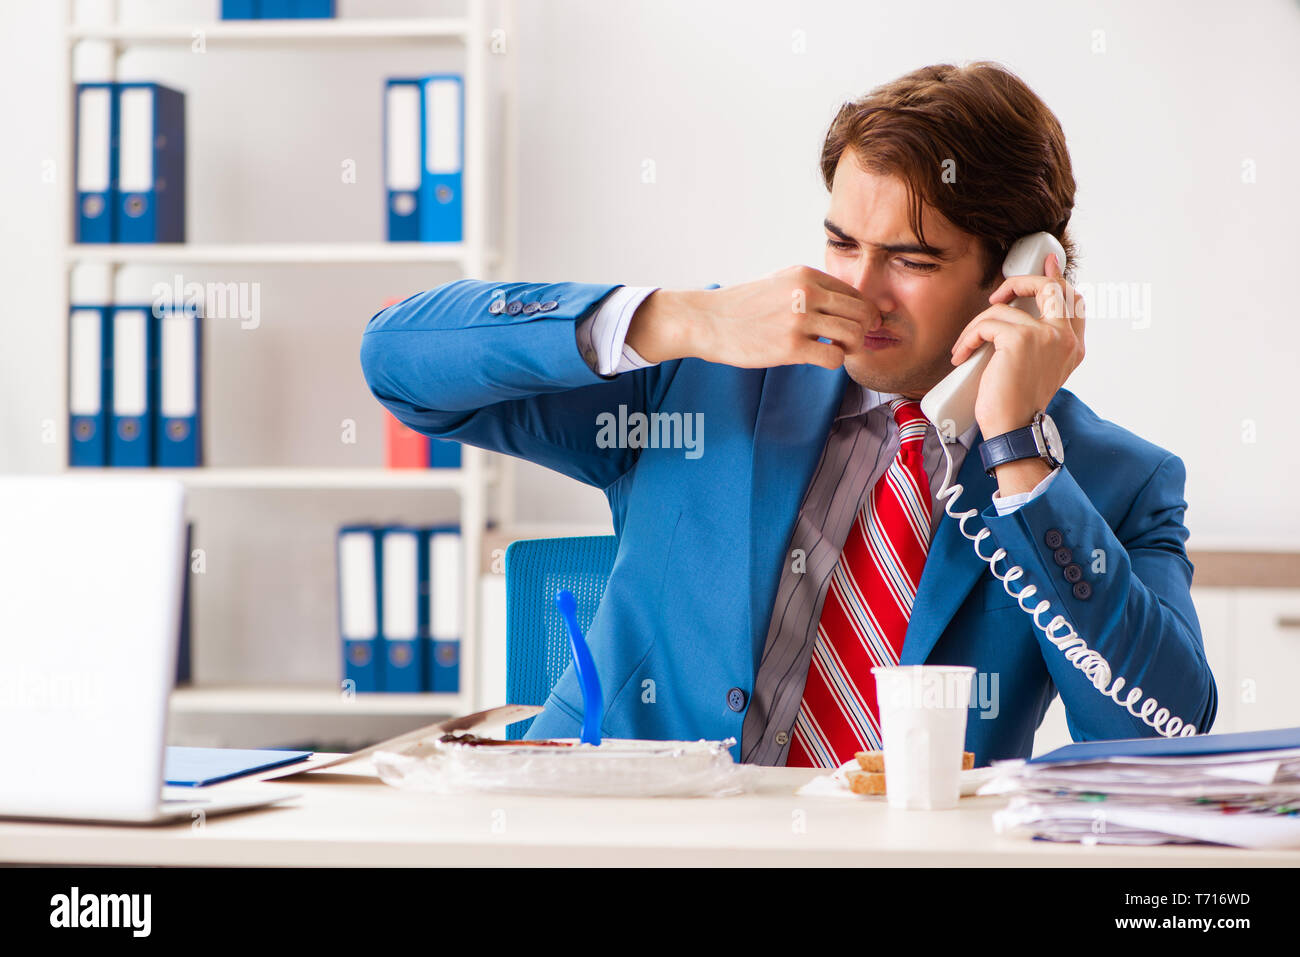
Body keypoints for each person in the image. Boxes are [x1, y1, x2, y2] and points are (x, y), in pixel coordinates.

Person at [360, 61, 1216, 767]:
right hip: (620, 838)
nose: (860, 289)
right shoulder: (708, 368)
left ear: (1024, 276)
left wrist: (1021, 453)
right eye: (843, 243)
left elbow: (1160, 736)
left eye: (911, 259)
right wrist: (681, 319)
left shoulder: (1111, 479)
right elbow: (400, 364)